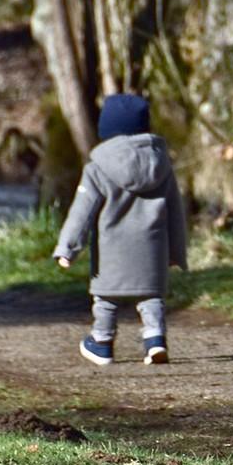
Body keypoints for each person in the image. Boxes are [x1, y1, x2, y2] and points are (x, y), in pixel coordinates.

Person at [54, 93, 189, 366]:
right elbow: (176, 212)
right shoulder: (162, 165)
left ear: (107, 128)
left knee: (106, 300)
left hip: (111, 252)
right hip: (152, 250)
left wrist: (68, 248)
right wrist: (176, 252)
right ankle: (155, 341)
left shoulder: (97, 168)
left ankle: (102, 343)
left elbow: (82, 212)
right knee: (151, 297)